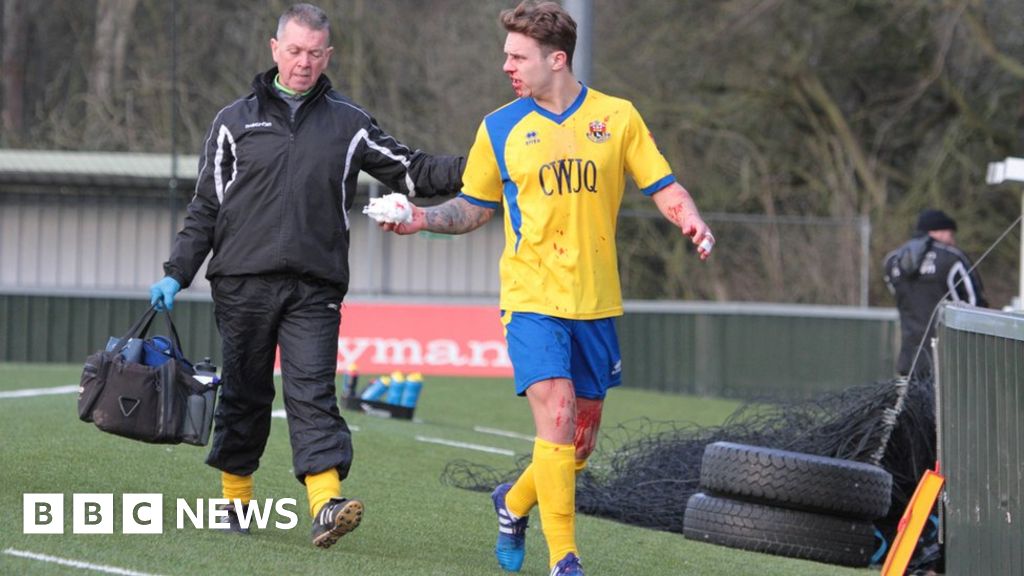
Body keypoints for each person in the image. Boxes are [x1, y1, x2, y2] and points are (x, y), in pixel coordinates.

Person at [381, 2, 713, 573]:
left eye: (517, 56)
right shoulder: (499, 127)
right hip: (531, 298)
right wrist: (421, 218)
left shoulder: (618, 117)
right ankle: (565, 559)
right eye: (506, 53)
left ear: (556, 59)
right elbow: (472, 207)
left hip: (596, 301)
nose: (505, 64)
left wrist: (689, 217)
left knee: (578, 443)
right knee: (556, 414)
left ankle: (512, 504)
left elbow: (663, 183)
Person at [148, 3, 463, 549]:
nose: (303, 63)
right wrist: (178, 271)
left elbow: (415, 171)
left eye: (315, 54)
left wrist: (487, 157)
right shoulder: (232, 122)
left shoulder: (350, 123)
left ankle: (326, 506)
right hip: (241, 282)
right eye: (294, 51)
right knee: (245, 394)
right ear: (274, 50)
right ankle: (235, 505)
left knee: (313, 393)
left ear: (328, 56)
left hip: (314, 287)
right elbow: (206, 208)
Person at [883, 209, 987, 380]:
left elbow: (898, 297)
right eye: (951, 234)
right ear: (938, 232)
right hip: (950, 360)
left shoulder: (892, 261)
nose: (953, 241)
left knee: (914, 404)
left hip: (910, 359)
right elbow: (976, 304)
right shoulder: (952, 258)